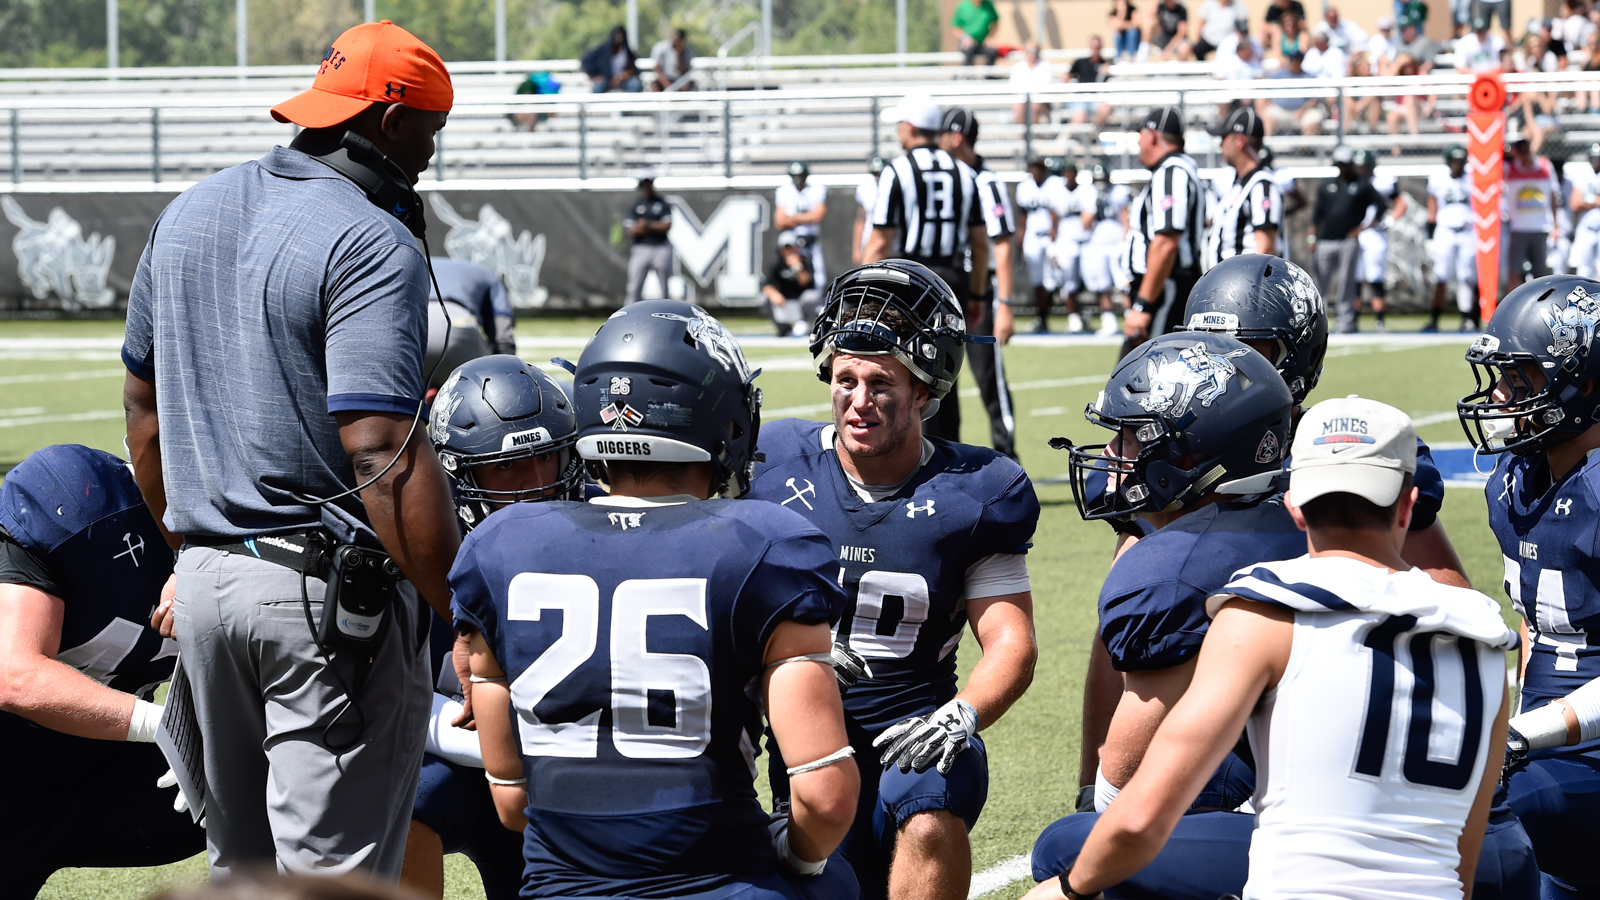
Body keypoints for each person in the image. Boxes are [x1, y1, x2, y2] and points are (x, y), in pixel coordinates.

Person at [121, 19, 460, 877]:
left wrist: (191, 555)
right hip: (319, 600)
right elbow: (380, 449)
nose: (428, 153)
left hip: (201, 586)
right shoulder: (368, 238)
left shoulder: (185, 212)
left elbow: (144, 417)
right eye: (429, 130)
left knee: (242, 874)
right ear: (387, 124)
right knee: (329, 883)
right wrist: (463, 609)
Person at [456, 300, 863, 900]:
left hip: (562, 889)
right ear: (721, 417)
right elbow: (826, 800)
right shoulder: (766, 545)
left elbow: (514, 802)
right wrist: (795, 859)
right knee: (838, 884)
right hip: (718, 881)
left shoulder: (499, 545)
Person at [1032, 396, 1515, 900]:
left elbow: (1137, 821)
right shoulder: (1482, 637)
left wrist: (1067, 890)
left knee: (1065, 847)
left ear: (1293, 505)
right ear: (1409, 506)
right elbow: (1465, 852)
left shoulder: (1264, 613)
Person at [748, 259, 1039, 900]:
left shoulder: (976, 494)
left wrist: (962, 714)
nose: (858, 400)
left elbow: (1012, 642)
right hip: (809, 738)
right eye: (845, 378)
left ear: (925, 393)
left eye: (881, 382)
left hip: (919, 729)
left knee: (929, 810)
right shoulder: (771, 467)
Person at [1035, 329, 1300, 900]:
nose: (1111, 455)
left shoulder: (1176, 569)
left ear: (1191, 454)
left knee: (1068, 845)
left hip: (1324, 841)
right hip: (1431, 811)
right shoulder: (1302, 515)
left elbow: (1119, 787)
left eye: (1131, 437)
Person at [401, 356, 583, 900]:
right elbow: (392, 708)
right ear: (456, 473)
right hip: (459, 769)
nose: (534, 486)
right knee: (398, 798)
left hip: (569, 778)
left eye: (547, 459)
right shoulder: (419, 550)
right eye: (506, 468)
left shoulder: (605, 531)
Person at [0, 445, 207, 896]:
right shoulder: (77, 499)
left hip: (104, 768)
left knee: (287, 777)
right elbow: (14, 676)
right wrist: (170, 726)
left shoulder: (257, 531)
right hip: (9, 777)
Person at [1457, 273, 1600, 897]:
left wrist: (1523, 736)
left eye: (1523, 380)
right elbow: (1537, 626)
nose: (1503, 397)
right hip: (1545, 745)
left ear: (1586, 384)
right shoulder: (1517, 478)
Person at [864, 93, 988, 443]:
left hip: (911, 280)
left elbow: (879, 240)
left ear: (911, 127)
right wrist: (976, 293)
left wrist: (864, 288)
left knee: (903, 371)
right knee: (945, 373)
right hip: (952, 279)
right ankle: (948, 453)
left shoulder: (897, 169)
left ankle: (905, 451)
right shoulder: (964, 172)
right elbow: (980, 243)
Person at [939, 107, 1021, 459]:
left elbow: (1002, 243)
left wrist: (1004, 303)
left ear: (956, 137)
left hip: (981, 294)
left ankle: (1008, 457)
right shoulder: (945, 177)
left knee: (991, 381)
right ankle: (944, 460)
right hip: (950, 291)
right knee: (941, 380)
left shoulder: (985, 181)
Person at [1120, 106, 1204, 357]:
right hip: (1161, 286)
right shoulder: (1174, 170)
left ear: (1153, 136)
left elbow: (1167, 242)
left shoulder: (1172, 172)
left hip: (1165, 289)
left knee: (1143, 378)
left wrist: (1143, 304)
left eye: (1140, 134)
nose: (1138, 142)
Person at [1312, 145, 1386, 334]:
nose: (1342, 167)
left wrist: (1363, 227)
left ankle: (1345, 322)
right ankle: (1316, 323)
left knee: (1347, 282)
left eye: (1345, 163)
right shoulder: (1327, 186)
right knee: (1319, 284)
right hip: (1325, 240)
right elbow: (1317, 214)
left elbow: (1381, 205)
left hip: (1348, 240)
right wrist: (1312, 236)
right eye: (1339, 164)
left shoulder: (1362, 185)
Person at [1204, 107, 1281, 268]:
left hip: (1244, 289)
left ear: (1239, 140)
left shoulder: (1261, 185)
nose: (1220, 145)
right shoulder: (1240, 183)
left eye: (1224, 137)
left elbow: (1265, 247)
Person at [1502, 123, 1561, 295]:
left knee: (1540, 274)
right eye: (1518, 149)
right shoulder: (1509, 169)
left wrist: (1555, 224)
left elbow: (1552, 196)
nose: (1523, 152)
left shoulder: (1544, 166)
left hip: (1540, 227)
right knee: (1514, 272)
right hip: (1517, 229)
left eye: (1524, 147)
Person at [1427, 146, 1479, 331]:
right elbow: (1432, 206)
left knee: (1467, 276)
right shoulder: (1438, 179)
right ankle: (1434, 318)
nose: (1457, 164)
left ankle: (1468, 318)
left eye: (1460, 161)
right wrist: (1430, 234)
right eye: (1454, 161)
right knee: (1441, 275)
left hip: (1467, 230)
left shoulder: (1473, 178)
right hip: (1445, 231)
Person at [1016, 157, 1069, 334]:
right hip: (1033, 237)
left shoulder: (1054, 185)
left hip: (1050, 237)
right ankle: (1042, 316)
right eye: (1033, 168)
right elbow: (1023, 218)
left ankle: (1058, 314)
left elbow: (1056, 214)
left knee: (1054, 279)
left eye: (1038, 168)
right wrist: (1020, 243)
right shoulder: (1025, 188)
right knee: (1037, 281)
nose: (1035, 172)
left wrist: (1056, 239)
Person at [1355, 149, 1404, 332]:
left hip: (1375, 233)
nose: (1361, 170)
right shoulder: (1354, 183)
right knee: (1355, 279)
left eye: (1364, 167)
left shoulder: (1381, 182)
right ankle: (1353, 320)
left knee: (1375, 278)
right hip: (1356, 233)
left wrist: (1390, 219)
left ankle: (1379, 320)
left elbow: (1401, 203)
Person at [428, 257, 516, 356]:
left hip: (417, 326)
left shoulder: (412, 262)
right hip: (460, 326)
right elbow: (503, 336)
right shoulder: (485, 273)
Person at [1081, 164, 1130, 337]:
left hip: (1117, 244)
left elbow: (1125, 217)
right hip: (1098, 245)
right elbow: (1085, 224)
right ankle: (1109, 322)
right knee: (1103, 286)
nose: (1101, 183)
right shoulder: (1089, 195)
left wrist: (1126, 240)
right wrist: (1095, 205)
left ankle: (1130, 318)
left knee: (1124, 284)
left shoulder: (1118, 192)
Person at [624, 170, 673, 306]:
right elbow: (631, 229)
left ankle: (667, 313)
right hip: (641, 248)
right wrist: (653, 226)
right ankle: (628, 315)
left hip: (661, 247)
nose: (646, 187)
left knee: (664, 287)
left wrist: (646, 225)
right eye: (644, 184)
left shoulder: (662, 203)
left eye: (648, 183)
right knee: (634, 286)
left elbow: (666, 226)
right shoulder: (636, 205)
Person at [776, 161, 829, 286]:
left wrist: (792, 218)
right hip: (790, 243)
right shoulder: (784, 192)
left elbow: (818, 215)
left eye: (800, 176)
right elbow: (779, 221)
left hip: (810, 240)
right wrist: (807, 217)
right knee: (791, 273)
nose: (798, 179)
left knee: (818, 275)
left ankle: (818, 302)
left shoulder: (817, 190)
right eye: (795, 176)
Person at [764, 231, 823, 337]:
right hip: (784, 302)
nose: (789, 251)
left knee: (811, 297)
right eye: (786, 247)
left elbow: (807, 282)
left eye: (791, 247)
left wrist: (797, 267)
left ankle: (807, 326)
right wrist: (774, 294)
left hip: (801, 301)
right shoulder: (777, 263)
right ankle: (784, 328)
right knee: (763, 298)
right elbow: (767, 284)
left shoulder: (805, 260)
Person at [1264, 52, 1325, 137]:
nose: (1293, 62)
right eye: (1291, 60)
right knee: (1267, 115)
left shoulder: (1309, 77)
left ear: (1300, 61)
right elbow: (1265, 89)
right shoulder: (1278, 75)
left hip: (1303, 112)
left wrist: (1302, 110)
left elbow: (1315, 99)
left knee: (1314, 118)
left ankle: (1305, 149)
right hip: (1281, 111)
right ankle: (1265, 148)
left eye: (1295, 60)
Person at [1066, 36, 1114, 129]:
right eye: (1094, 46)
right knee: (1080, 117)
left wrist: (1109, 66)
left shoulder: (1105, 64)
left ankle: (1092, 132)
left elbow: (1115, 65)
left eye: (1098, 47)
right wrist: (1067, 90)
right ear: (1090, 47)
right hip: (1081, 98)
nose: (1096, 49)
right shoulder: (1080, 62)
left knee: (1106, 109)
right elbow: (1067, 75)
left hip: (1096, 98)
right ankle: (1066, 138)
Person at [1569, 144, 1600, 279]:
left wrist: (1589, 200)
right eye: (1594, 158)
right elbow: (1575, 203)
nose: (1596, 161)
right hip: (1586, 228)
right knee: (1584, 270)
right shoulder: (1584, 174)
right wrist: (1595, 201)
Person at [581, 26, 641, 93]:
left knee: (635, 85)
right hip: (606, 79)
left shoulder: (626, 51)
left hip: (623, 80)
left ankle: (631, 103)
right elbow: (586, 61)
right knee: (598, 88)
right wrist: (595, 76)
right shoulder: (604, 49)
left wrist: (621, 77)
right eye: (617, 35)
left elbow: (632, 70)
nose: (619, 38)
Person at [853, 156, 888, 266]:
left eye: (880, 172)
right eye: (875, 173)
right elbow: (860, 220)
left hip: (888, 241)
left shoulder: (892, 186)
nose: (878, 176)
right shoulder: (865, 189)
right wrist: (856, 249)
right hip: (869, 240)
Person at [1010, 42, 1055, 125]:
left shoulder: (1046, 66)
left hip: (1041, 102)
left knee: (1034, 106)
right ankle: (1024, 136)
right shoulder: (1017, 67)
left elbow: (1046, 87)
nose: (1032, 54)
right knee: (1019, 108)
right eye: (1030, 51)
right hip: (1022, 101)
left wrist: (1033, 100)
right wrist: (1022, 100)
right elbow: (1014, 88)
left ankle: (1035, 136)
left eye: (1035, 51)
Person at [952, 0, 1001, 65]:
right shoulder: (963, 6)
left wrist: (990, 38)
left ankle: (988, 74)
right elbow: (955, 27)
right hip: (968, 44)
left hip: (983, 44)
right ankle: (968, 74)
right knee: (969, 50)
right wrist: (965, 39)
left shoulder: (988, 5)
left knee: (993, 52)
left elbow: (995, 23)